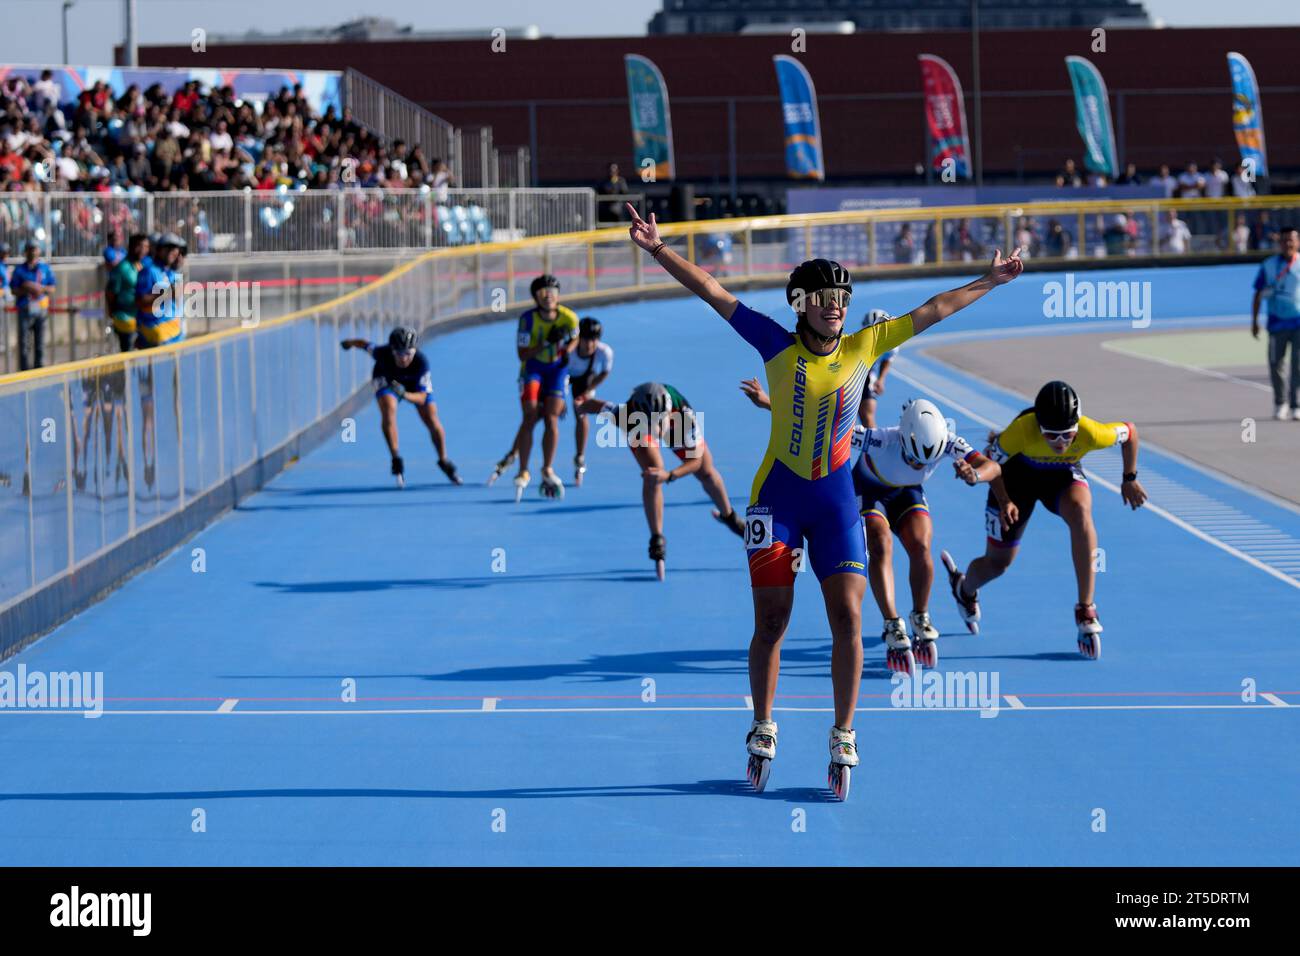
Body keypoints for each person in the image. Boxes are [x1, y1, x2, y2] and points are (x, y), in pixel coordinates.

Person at [624, 199, 1023, 799]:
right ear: (800, 305)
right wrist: (658, 249)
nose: (836, 308)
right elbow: (712, 290)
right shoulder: (774, 344)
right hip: (777, 499)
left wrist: (990, 281)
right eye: (824, 299)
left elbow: (934, 309)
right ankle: (762, 725)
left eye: (842, 299)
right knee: (773, 621)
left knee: (848, 619)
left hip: (837, 499)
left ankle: (843, 734)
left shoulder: (864, 345)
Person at [740, 386, 999, 673]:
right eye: (912, 458)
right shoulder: (880, 439)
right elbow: (819, 425)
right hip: (869, 488)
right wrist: (768, 403)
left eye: (925, 461)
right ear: (903, 437)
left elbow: (991, 467)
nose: (917, 464)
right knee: (879, 542)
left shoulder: (949, 442)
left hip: (906, 492)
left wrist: (975, 474)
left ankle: (920, 615)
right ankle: (891, 622)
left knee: (921, 545)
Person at [940, 381, 1147, 660]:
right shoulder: (1020, 432)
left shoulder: (1092, 432)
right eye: (1051, 436)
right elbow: (991, 467)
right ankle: (963, 589)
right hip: (1013, 481)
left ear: (1077, 426)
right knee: (998, 564)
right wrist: (1001, 498)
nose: (1060, 442)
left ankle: (1085, 608)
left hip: (1060, 477)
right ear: (1038, 428)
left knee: (1081, 512)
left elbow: (1130, 432)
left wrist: (1129, 478)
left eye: (1067, 435)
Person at [578, 381, 743, 575]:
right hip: (638, 428)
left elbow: (695, 461)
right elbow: (596, 406)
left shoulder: (684, 415)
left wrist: (671, 475)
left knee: (706, 471)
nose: (655, 429)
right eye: (650, 424)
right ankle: (656, 538)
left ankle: (730, 517)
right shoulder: (627, 415)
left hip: (676, 429)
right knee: (652, 475)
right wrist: (579, 405)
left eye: (657, 422)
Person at [490, 274, 579, 499]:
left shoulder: (569, 317)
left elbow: (575, 338)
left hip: (557, 370)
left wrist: (567, 351)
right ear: (536, 297)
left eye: (553, 292)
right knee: (530, 416)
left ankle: (547, 467)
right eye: (543, 293)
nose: (549, 296)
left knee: (551, 418)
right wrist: (546, 342)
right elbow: (522, 354)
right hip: (533, 369)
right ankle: (523, 469)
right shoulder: (527, 320)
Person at [339, 327, 462, 487]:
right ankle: (395, 457)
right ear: (392, 350)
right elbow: (364, 344)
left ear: (414, 350)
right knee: (388, 409)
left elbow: (422, 398)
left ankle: (443, 459)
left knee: (431, 417)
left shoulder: (421, 363)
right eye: (399, 353)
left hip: (413, 385)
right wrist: (349, 343)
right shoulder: (382, 353)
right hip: (386, 379)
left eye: (408, 354)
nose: (404, 358)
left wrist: (404, 395)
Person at [1251, 225, 1300, 420]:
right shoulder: (1268, 265)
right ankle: (1281, 403)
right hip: (1276, 324)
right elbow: (1257, 293)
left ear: (1297, 242)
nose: (1288, 243)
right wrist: (1254, 320)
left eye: (1292, 239)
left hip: (1299, 323)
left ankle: (1296, 405)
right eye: (1284, 240)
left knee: (1298, 365)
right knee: (1275, 364)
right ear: (1279, 242)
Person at [567, 317, 614, 485]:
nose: (590, 344)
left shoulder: (604, 352)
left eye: (594, 340)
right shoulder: (569, 352)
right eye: (586, 339)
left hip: (585, 380)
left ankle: (580, 457)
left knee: (579, 411)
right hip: (563, 375)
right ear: (579, 338)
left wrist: (587, 391)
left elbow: (604, 373)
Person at [9, 240, 56, 370]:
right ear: (26, 251)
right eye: (30, 249)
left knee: (40, 344)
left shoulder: (45, 268)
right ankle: (24, 372)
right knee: (24, 344)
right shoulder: (19, 270)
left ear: (39, 251)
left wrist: (40, 288)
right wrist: (27, 288)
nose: (33, 252)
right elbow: (13, 290)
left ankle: (39, 371)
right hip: (25, 309)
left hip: (41, 309)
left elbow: (52, 288)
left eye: (35, 249)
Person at [134, 233, 185, 348]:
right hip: (156, 336)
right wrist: (166, 294)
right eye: (168, 248)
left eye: (175, 249)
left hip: (174, 334)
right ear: (159, 250)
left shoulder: (171, 273)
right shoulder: (149, 271)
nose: (172, 252)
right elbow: (140, 301)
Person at [105, 233, 148, 352]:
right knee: (128, 353)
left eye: (146, 247)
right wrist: (112, 313)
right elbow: (110, 292)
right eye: (140, 246)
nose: (143, 250)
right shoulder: (122, 268)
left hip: (140, 318)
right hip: (125, 318)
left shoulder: (143, 265)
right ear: (132, 246)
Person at [857, 308, 898, 428]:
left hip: (868, 374)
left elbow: (887, 358)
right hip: (854, 373)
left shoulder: (892, 343)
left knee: (867, 416)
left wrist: (881, 379)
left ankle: (873, 441)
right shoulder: (860, 343)